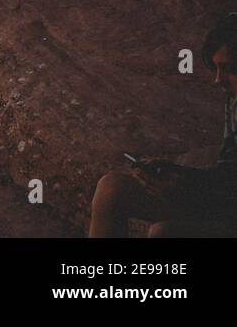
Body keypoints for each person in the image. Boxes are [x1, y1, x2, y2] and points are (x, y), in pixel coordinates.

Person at [88, 12, 237, 237]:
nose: (218, 79)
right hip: (224, 206)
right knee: (112, 188)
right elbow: (229, 170)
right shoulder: (234, 100)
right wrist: (178, 175)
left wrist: (188, 187)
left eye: (229, 69)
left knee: (164, 232)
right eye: (217, 68)